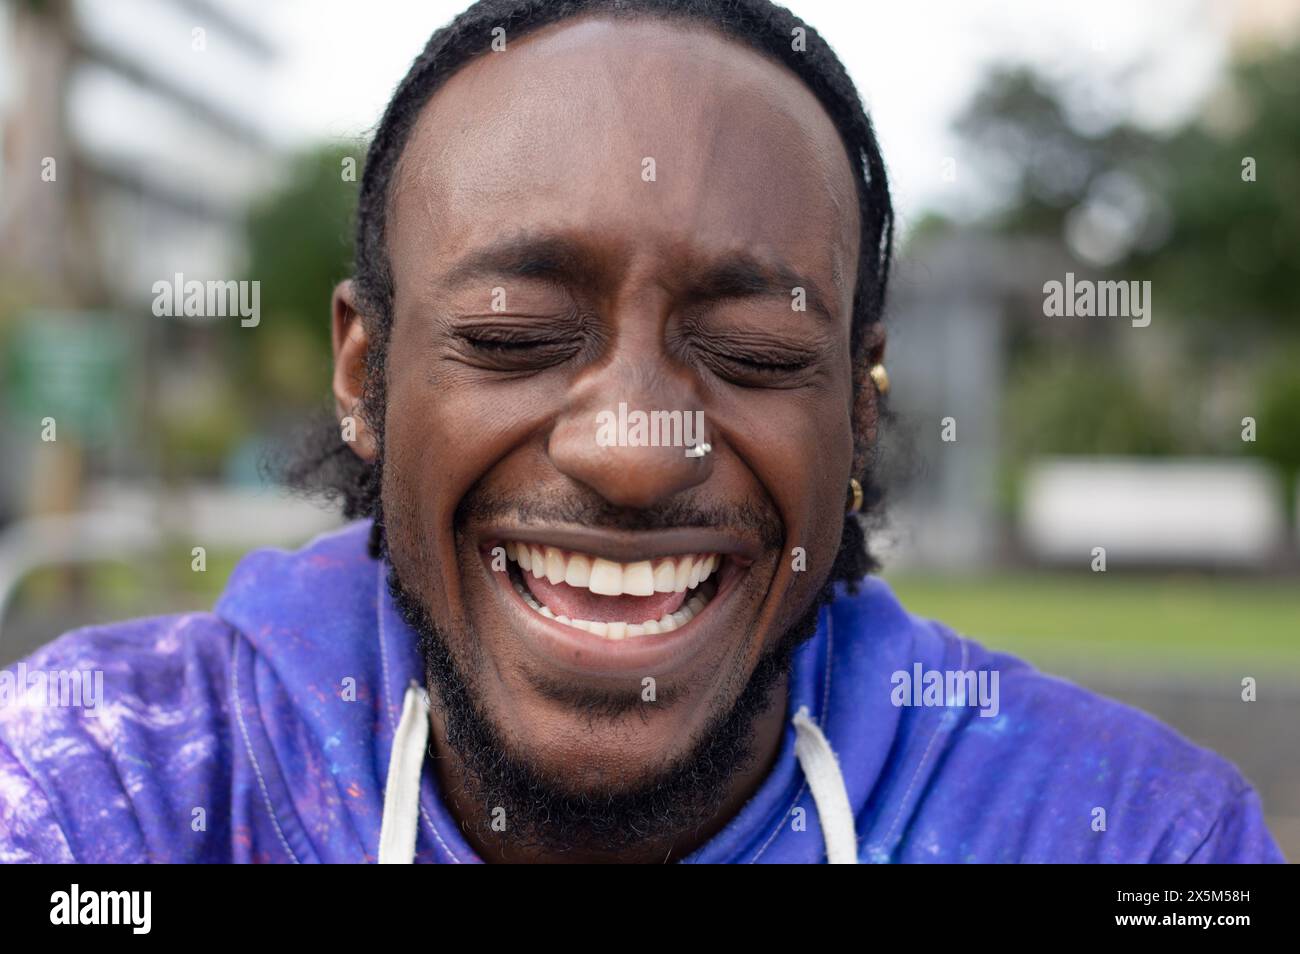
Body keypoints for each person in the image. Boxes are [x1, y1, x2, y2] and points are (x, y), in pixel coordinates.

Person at [0, 0, 1283, 864]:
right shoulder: (109, 784)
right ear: (366, 372)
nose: (630, 448)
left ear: (857, 401)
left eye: (754, 354)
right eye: (513, 335)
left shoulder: (1128, 839)